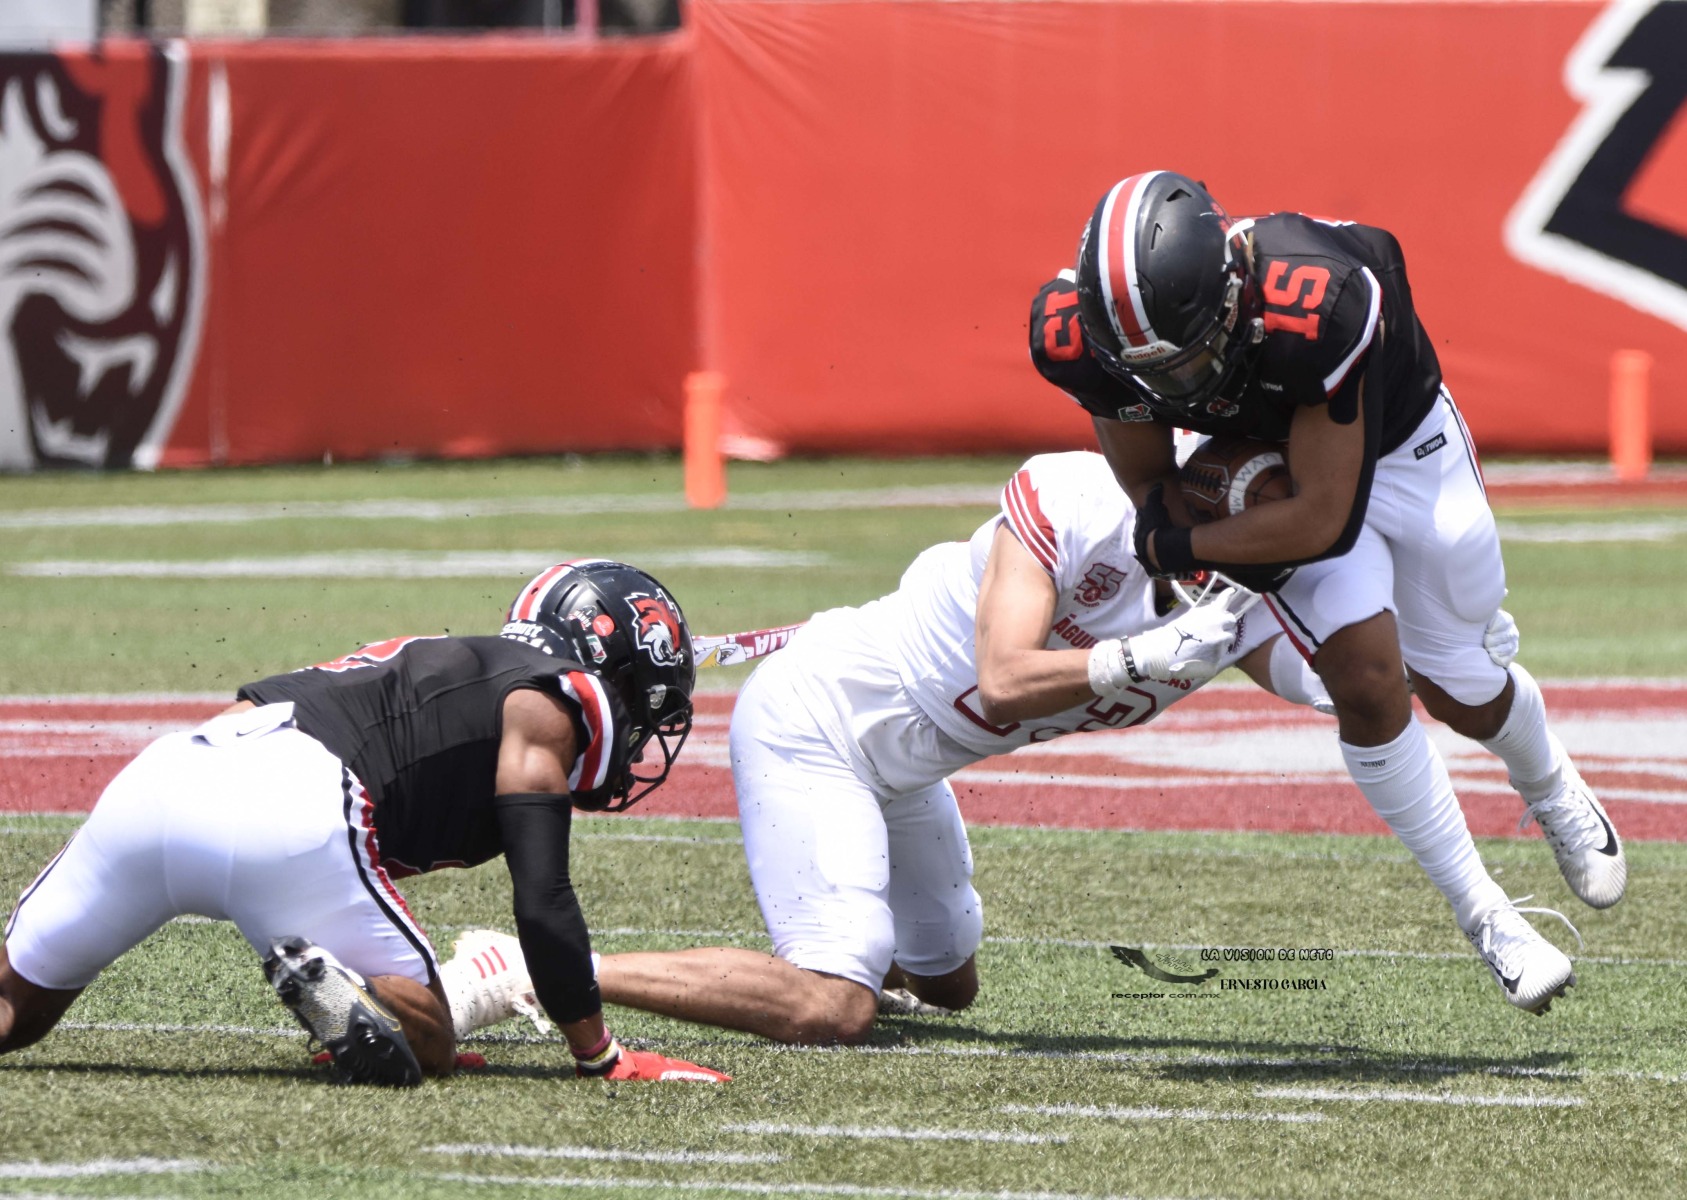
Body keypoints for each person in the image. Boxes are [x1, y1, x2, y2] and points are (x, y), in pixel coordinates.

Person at [574, 451, 1524, 1044]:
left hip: (908, 767)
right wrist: (1130, 657)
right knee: (837, 1002)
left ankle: (830, 922)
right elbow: (1002, 677)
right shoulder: (1070, 501)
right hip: (817, 720)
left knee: (948, 984)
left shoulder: (1232, 606)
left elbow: (1350, 694)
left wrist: (1448, 661)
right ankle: (551, 971)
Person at [1028, 170, 1617, 1013]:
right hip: (1264, 456)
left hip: (1401, 446)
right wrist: (1180, 524)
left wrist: (1182, 543)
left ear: (1233, 286)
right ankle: (1489, 918)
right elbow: (1151, 481)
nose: (1183, 383)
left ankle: (1549, 780)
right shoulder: (1072, 336)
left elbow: (1322, 519)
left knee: (1463, 684)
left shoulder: (1322, 300)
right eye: (1156, 368)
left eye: (1195, 353)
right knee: (1370, 684)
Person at [0, 559, 728, 1086]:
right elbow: (541, 897)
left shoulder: (441, 659)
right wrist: (599, 1054)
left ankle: (351, 996)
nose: (637, 730)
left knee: (15, 1011)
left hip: (163, 777)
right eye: (641, 704)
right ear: (611, 671)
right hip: (288, 810)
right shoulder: (560, 697)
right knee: (430, 1045)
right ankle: (349, 995)